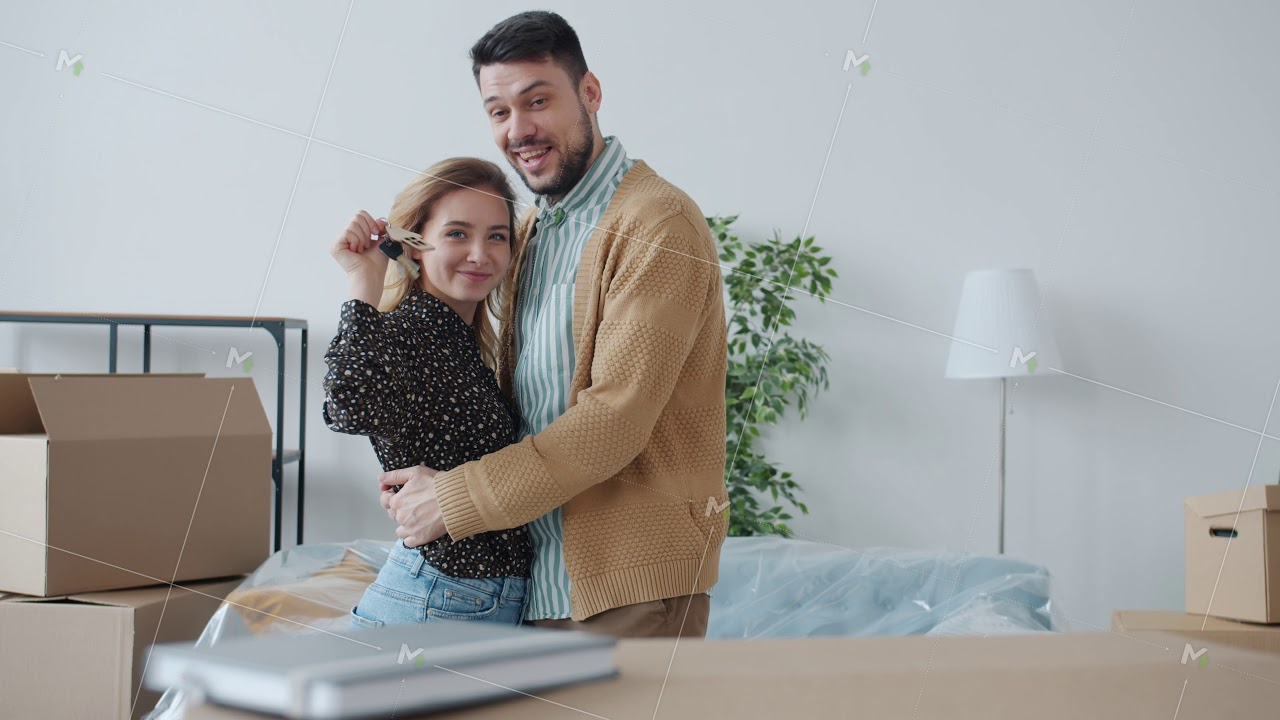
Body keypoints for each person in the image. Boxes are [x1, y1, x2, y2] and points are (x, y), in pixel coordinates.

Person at [377, 11, 730, 639]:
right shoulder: (534, 230)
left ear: (589, 94)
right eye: (498, 111)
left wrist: (456, 499)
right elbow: (517, 405)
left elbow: (613, 419)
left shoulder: (657, 224)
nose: (519, 129)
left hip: (629, 586)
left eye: (537, 101)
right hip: (534, 582)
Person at [322, 157, 532, 630]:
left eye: (496, 236)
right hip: (442, 597)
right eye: (458, 233)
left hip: (464, 596)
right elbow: (348, 405)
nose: (480, 254)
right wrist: (363, 279)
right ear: (414, 246)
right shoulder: (413, 330)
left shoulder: (459, 341)